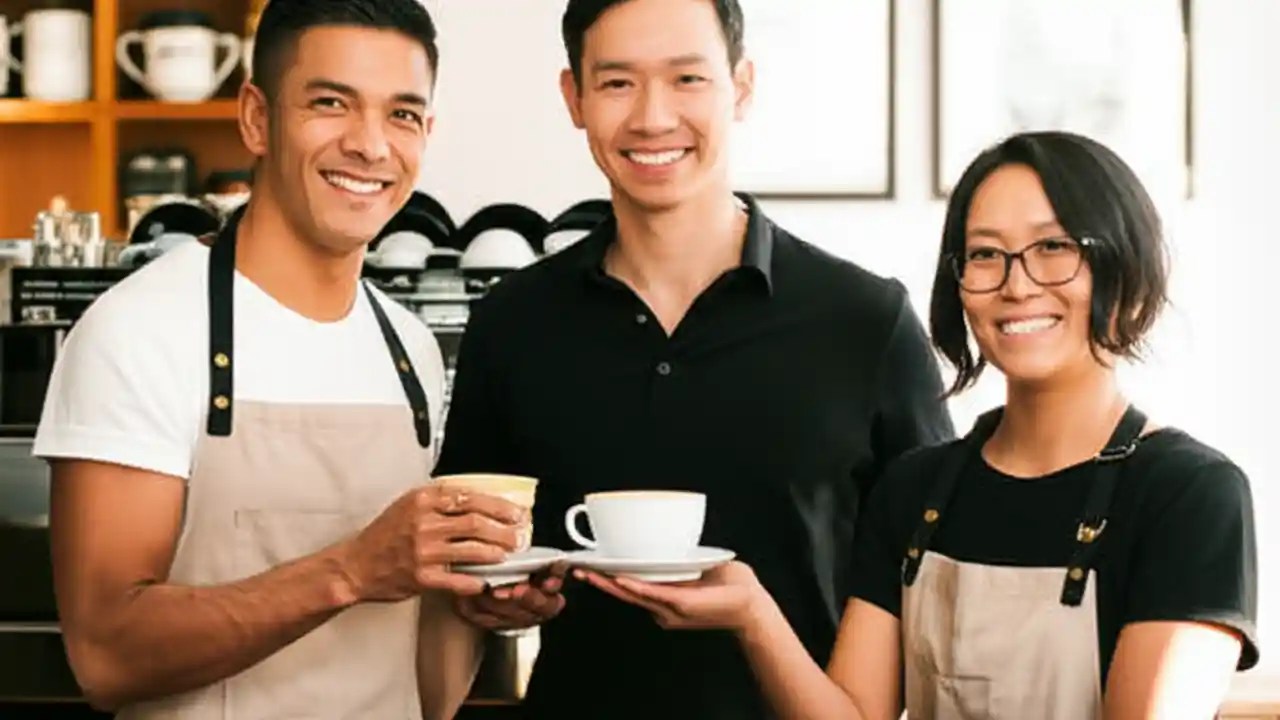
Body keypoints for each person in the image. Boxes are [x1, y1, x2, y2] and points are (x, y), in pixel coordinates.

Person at [582, 130, 1261, 719]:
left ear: (1125, 265)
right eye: (986, 254)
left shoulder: (1189, 493)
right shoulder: (916, 489)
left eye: (1054, 247)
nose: (1016, 284)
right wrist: (754, 615)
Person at [433, 0, 955, 717]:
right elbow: (467, 574)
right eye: (617, 83)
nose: (652, 117)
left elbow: (931, 589)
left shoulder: (867, 322)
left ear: (740, 87)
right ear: (573, 98)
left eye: (687, 79)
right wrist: (494, 602)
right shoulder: (512, 324)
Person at [33, 1, 529, 718]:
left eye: (403, 114)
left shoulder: (411, 349)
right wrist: (353, 569)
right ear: (257, 118)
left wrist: (479, 604)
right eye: (331, 103)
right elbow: (108, 657)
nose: (369, 145)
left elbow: (414, 673)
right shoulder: (137, 331)